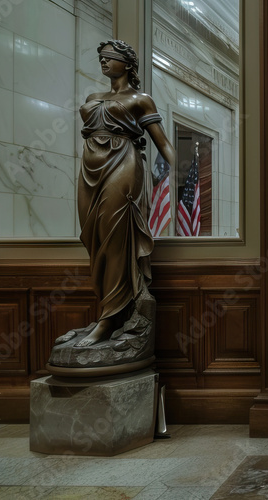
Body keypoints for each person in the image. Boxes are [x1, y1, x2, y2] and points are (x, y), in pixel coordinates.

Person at [72, 40, 176, 347]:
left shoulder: (141, 99)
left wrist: (172, 171)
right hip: (90, 168)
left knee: (115, 235)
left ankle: (107, 320)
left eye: (110, 58)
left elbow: (163, 144)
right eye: (101, 57)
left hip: (124, 163)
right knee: (94, 238)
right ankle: (110, 312)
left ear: (127, 65)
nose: (103, 62)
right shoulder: (94, 97)